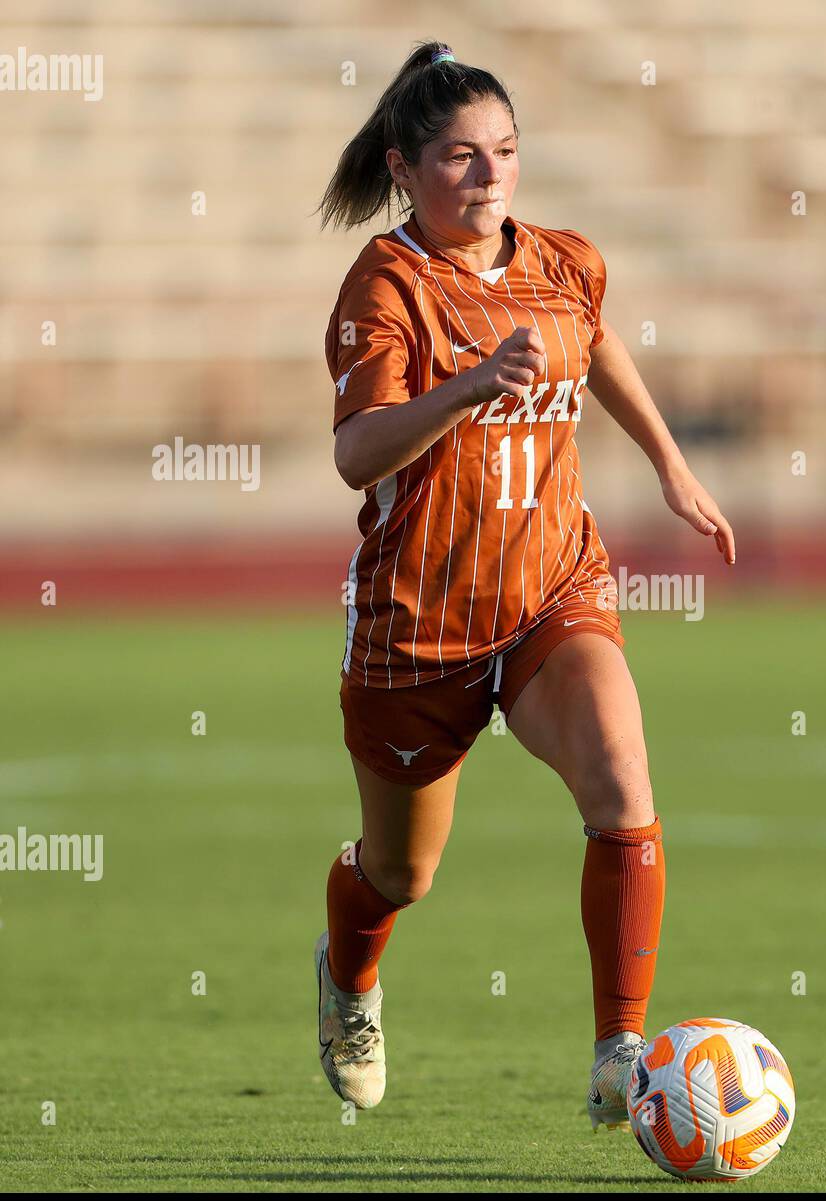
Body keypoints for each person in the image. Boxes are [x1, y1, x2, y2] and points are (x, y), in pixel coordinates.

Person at [314, 42, 734, 1130]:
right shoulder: (385, 285)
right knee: (401, 877)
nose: (490, 176)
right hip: (422, 621)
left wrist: (670, 463)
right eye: (461, 158)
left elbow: (592, 343)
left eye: (504, 152)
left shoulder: (562, 259)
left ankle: (620, 1054)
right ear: (405, 168)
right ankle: (349, 979)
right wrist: (464, 387)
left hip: (554, 587)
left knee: (625, 790)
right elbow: (359, 454)